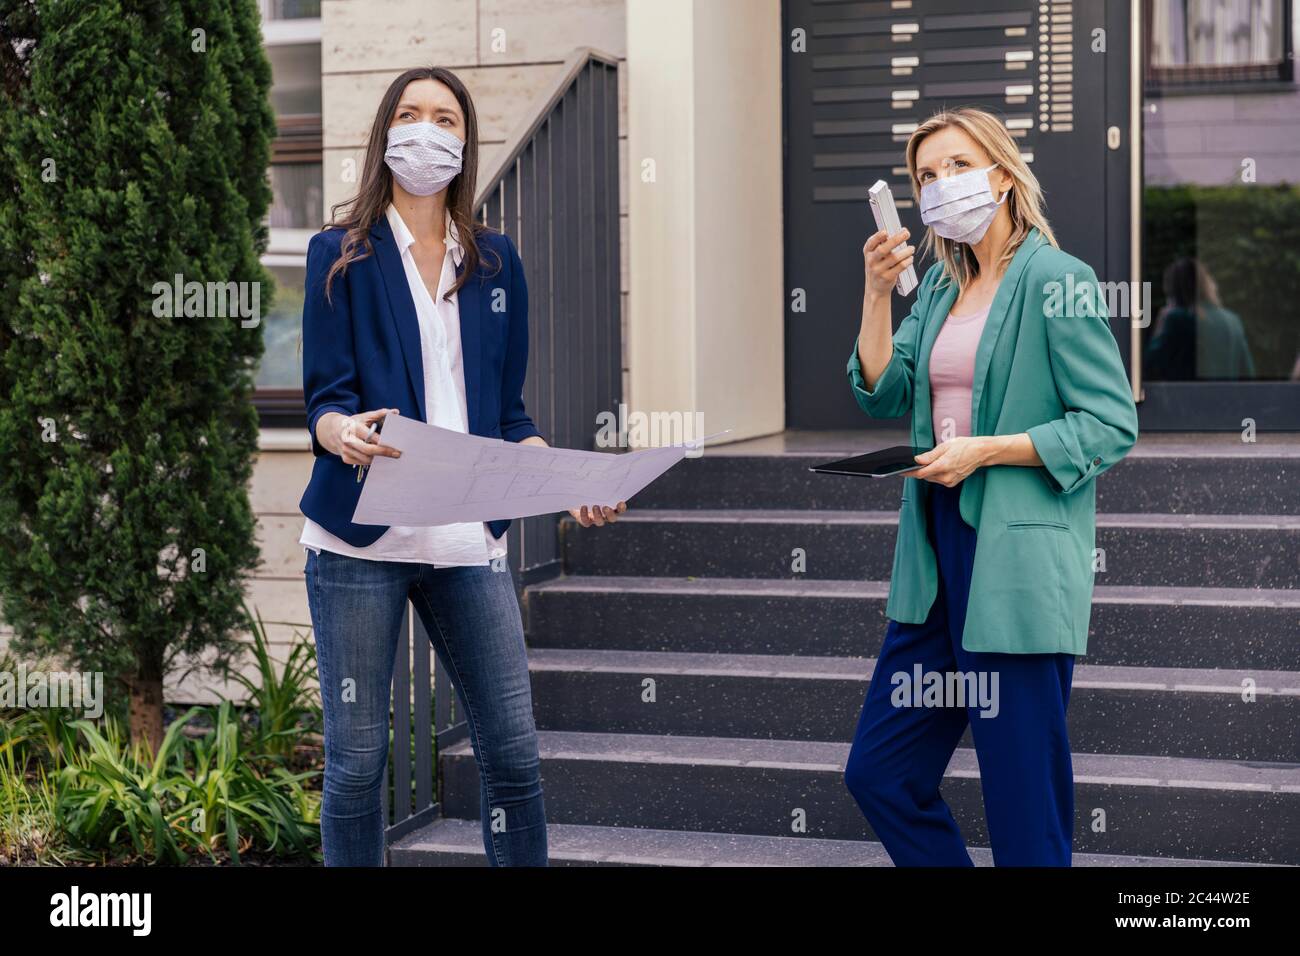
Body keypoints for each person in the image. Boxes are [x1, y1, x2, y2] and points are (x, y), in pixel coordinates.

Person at [298, 66, 625, 867]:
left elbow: (509, 419)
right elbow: (325, 401)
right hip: (358, 541)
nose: (425, 129)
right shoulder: (338, 253)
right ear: (385, 134)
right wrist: (344, 433)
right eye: (408, 114)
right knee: (356, 767)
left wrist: (566, 484)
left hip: (465, 546)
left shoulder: (496, 264)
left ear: (464, 140)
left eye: (444, 116)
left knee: (513, 758)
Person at [841, 107, 1139, 866]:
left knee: (1022, 801)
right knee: (881, 772)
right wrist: (878, 295)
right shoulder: (941, 288)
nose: (942, 186)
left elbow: (1109, 422)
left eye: (957, 166)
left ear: (1002, 175)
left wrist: (989, 451)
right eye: (926, 177)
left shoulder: (1057, 280)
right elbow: (881, 390)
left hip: (1014, 561)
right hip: (936, 559)